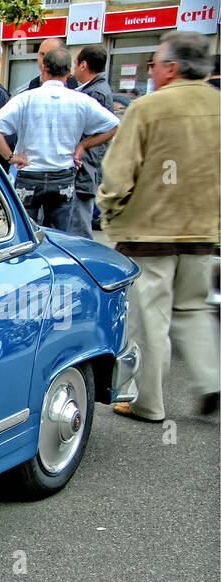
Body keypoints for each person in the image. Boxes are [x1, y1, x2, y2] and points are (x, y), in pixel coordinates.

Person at [96, 30, 220, 422]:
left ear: (171, 67)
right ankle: (211, 381)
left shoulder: (148, 108)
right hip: (202, 229)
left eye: (154, 64)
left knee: (151, 319)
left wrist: (111, 209)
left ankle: (149, 401)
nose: (150, 70)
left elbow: (119, 173)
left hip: (149, 230)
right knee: (192, 308)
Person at [0, 44, 118, 231]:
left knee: (26, 232)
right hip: (63, 177)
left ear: (44, 68)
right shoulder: (81, 100)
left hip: (29, 175)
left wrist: (10, 157)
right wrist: (83, 146)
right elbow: (114, 126)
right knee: (59, 235)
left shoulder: (25, 98)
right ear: (69, 72)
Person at [70, 44, 114, 239]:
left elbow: (103, 130)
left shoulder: (95, 94)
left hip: (85, 169)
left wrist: (82, 146)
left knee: (79, 230)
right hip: (86, 168)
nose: (73, 68)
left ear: (84, 65)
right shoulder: (92, 89)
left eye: (75, 63)